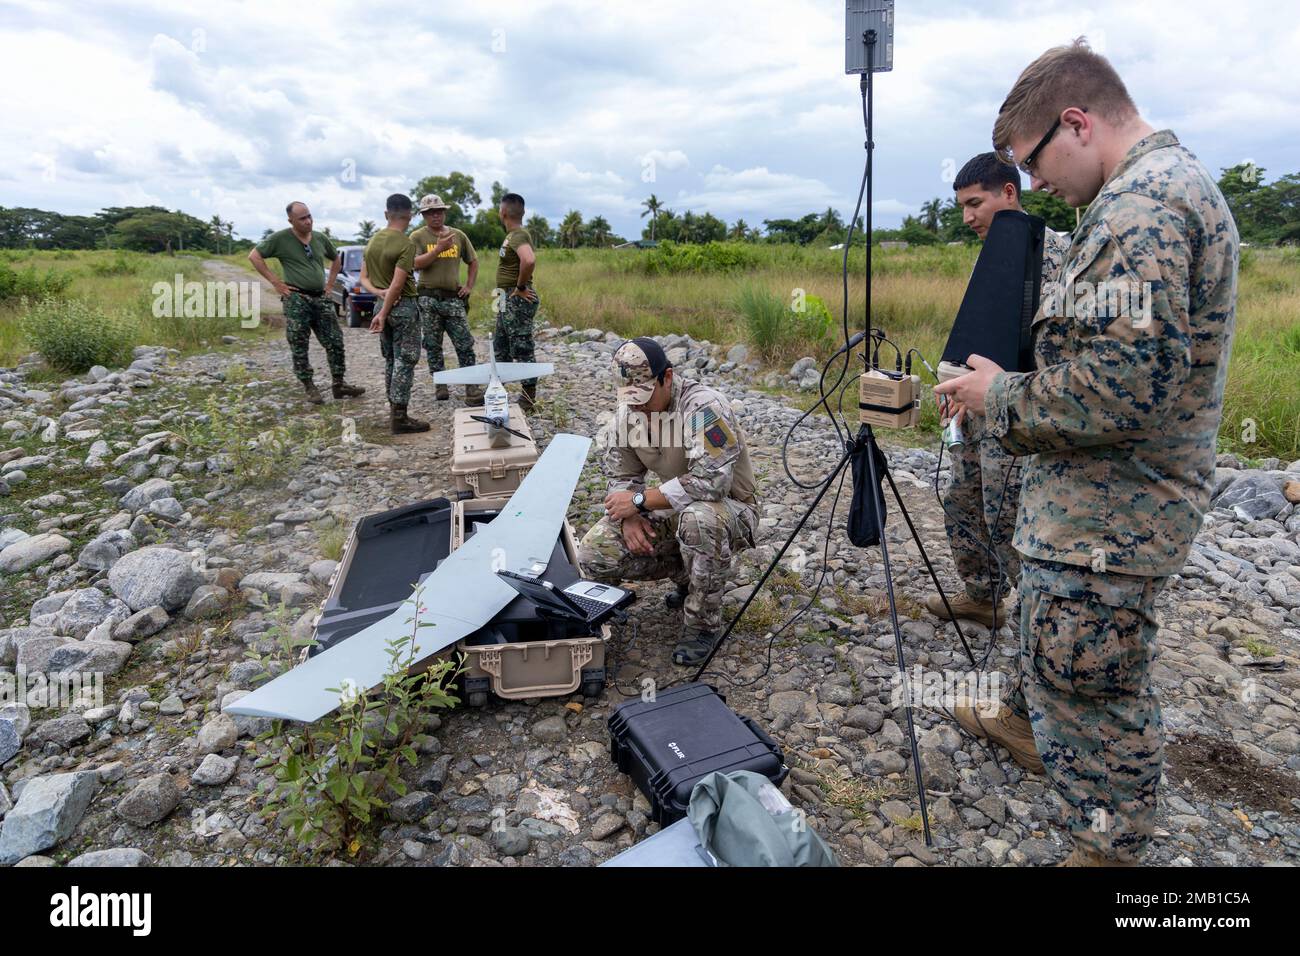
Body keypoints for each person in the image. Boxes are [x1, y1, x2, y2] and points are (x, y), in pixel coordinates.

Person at [935, 38, 1238, 866]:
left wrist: (995, 396)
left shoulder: (1141, 208)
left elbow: (1116, 391)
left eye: (1033, 165)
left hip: (1113, 515)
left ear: (1076, 123)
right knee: (1056, 644)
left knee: (1097, 690)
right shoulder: (1156, 191)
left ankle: (1106, 851)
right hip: (1091, 508)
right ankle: (1030, 724)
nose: (1034, 188)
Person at [926, 153, 1070, 629]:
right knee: (963, 501)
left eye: (975, 204)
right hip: (976, 411)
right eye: (962, 207)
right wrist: (956, 386)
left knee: (1008, 516)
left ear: (1009, 193)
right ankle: (982, 597)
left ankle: (1039, 628)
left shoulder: (1059, 255)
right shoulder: (992, 256)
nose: (968, 218)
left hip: (1020, 413)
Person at [577, 338, 759, 666]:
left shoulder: (703, 408)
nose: (638, 407)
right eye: (628, 398)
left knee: (699, 520)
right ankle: (686, 578)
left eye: (644, 397)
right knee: (593, 551)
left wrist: (640, 500)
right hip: (676, 509)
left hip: (729, 510)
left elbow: (713, 483)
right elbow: (620, 476)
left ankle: (702, 624)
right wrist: (629, 516)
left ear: (668, 378)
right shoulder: (627, 415)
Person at [248, 202, 365, 405]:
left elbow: (336, 260)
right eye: (302, 218)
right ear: (291, 220)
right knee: (299, 343)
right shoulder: (281, 239)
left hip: (320, 298)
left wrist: (329, 286)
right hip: (297, 299)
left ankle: (339, 384)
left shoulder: (320, 238)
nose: (308, 221)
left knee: (335, 341)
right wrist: (276, 282)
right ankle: (309, 386)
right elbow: (254, 256)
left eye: (309, 216)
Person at [362, 194, 429, 434]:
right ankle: (399, 418)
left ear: (385, 214)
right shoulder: (405, 244)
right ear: (410, 216)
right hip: (402, 307)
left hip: (381, 303)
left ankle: (394, 410)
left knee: (390, 357)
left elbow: (363, 278)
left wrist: (379, 296)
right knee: (406, 359)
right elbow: (399, 285)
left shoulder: (372, 241)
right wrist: (387, 305)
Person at [410, 194, 482, 405]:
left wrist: (468, 286)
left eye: (439, 211)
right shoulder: (417, 237)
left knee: (464, 343)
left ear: (444, 213)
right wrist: (439, 249)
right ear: (423, 215)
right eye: (431, 213)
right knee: (432, 344)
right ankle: (440, 384)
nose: (436, 216)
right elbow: (414, 263)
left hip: (453, 299)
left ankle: (472, 386)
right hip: (428, 298)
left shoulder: (458, 235)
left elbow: (473, 261)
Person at [493, 192, 540, 410]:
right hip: (504, 297)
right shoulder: (512, 235)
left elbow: (528, 260)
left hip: (515, 296)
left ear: (502, 213)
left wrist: (520, 287)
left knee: (521, 345)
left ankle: (528, 397)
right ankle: (497, 391)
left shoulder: (519, 235)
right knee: (500, 345)